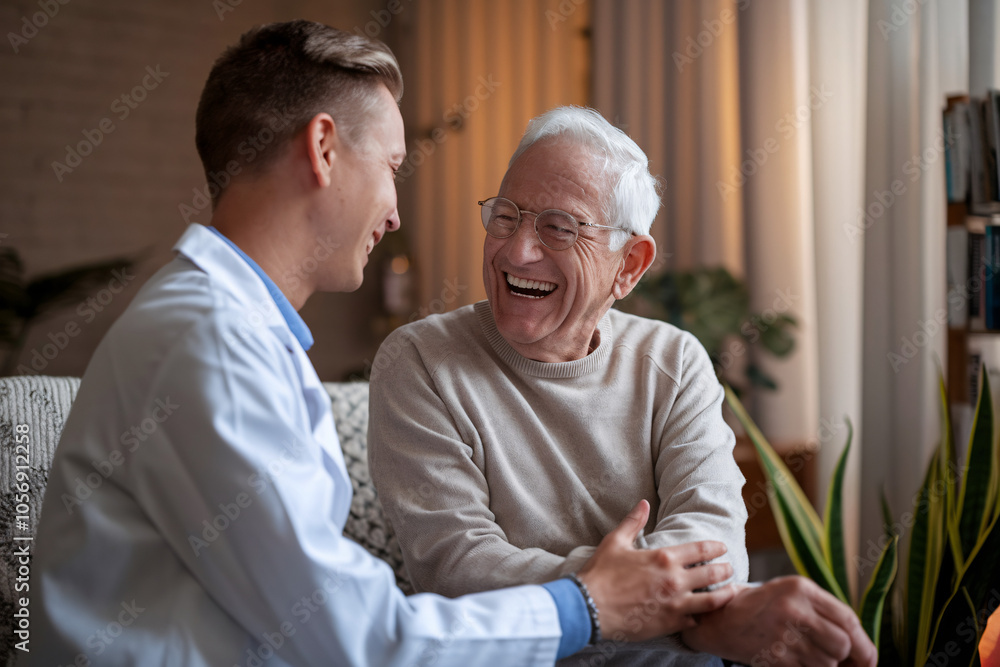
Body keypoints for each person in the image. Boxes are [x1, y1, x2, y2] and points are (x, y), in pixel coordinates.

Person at [24, 21, 745, 667]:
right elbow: (359, 638)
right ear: (325, 148)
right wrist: (591, 603)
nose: (397, 213)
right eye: (393, 168)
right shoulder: (208, 343)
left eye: (558, 226)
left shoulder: (232, 330)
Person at [367, 106, 878, 666]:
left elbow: (715, 540)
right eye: (507, 216)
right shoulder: (419, 362)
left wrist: (639, 605)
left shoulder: (674, 362)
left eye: (559, 228)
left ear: (629, 265)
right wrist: (685, 620)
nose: (516, 251)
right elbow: (458, 572)